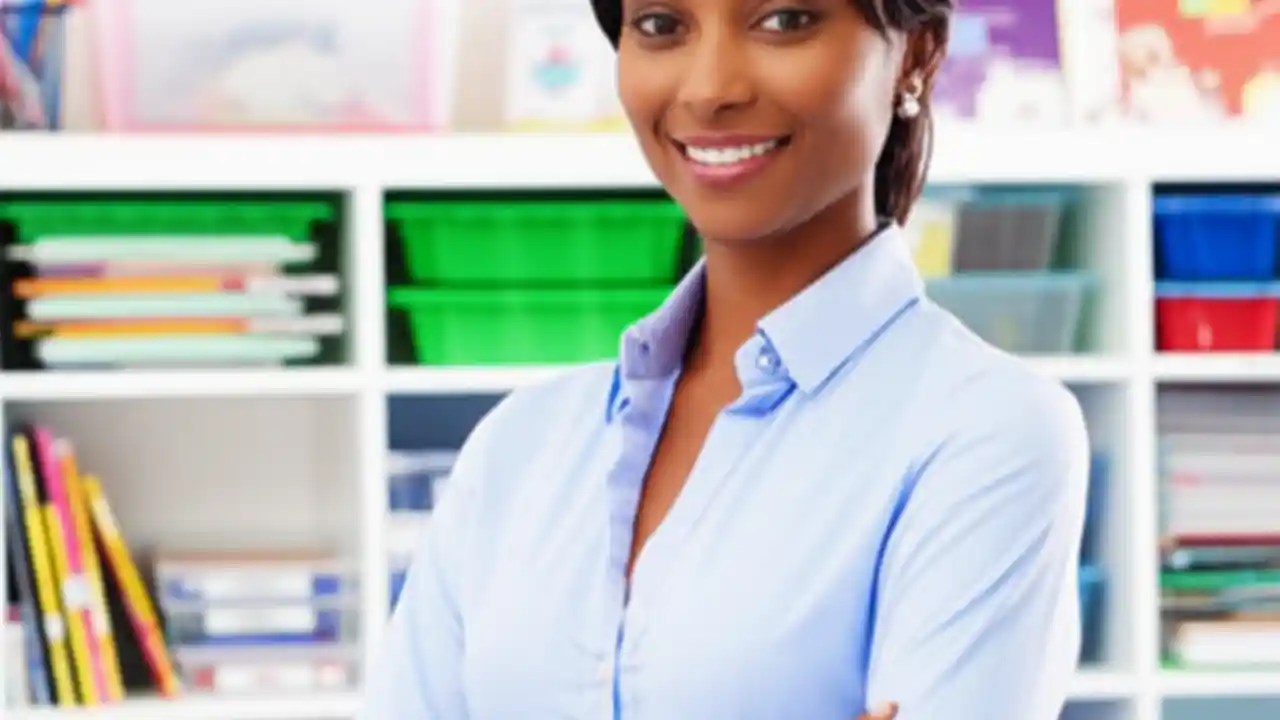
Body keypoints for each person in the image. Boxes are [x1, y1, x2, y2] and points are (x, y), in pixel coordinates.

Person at [362, 0, 1090, 717]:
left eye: (784, 20)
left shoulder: (988, 433)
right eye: (661, 26)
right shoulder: (519, 446)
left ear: (917, 53)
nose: (711, 88)